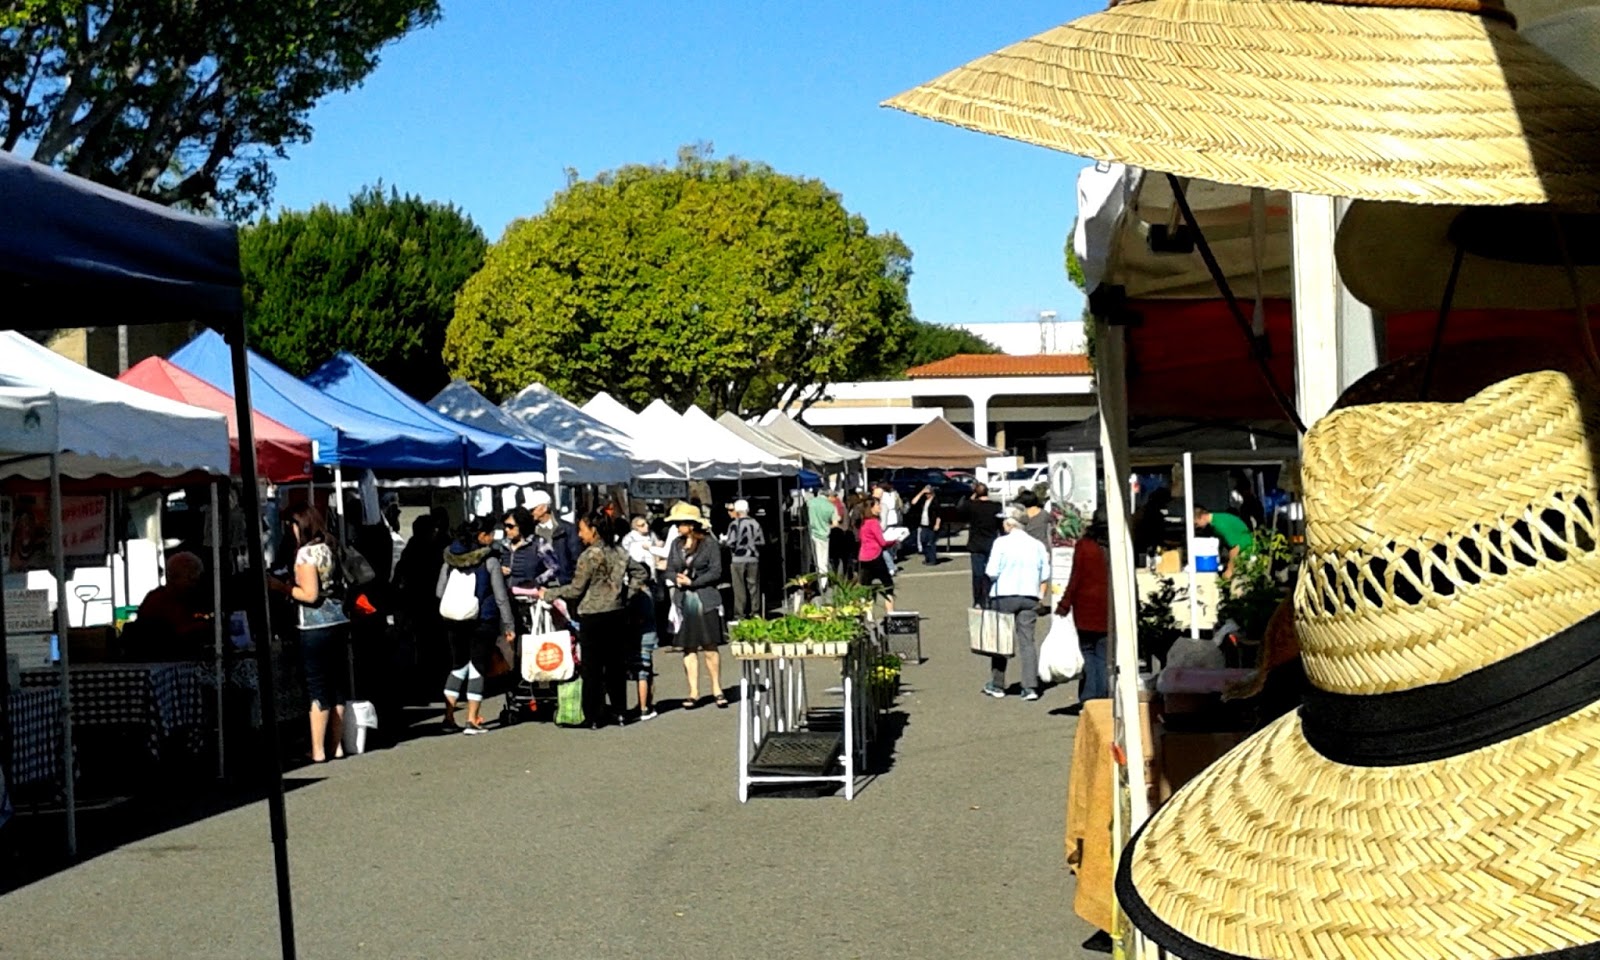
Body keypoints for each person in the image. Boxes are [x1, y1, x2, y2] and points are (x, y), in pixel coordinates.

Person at [270, 506, 349, 762]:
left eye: (291, 525)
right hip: (338, 620)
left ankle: (317, 749)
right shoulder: (329, 546)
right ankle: (336, 746)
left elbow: (310, 595)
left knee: (317, 688)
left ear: (300, 525)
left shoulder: (305, 554)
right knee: (337, 686)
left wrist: (281, 587)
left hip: (314, 625)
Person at [542, 513, 632, 728]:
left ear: (594, 530)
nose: (580, 535)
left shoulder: (589, 556)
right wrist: (627, 594)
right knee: (615, 666)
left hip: (592, 614)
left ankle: (593, 715)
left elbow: (575, 589)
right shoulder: (619, 552)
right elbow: (639, 573)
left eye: (582, 529)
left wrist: (549, 593)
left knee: (592, 668)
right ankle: (620, 712)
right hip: (616, 611)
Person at [436, 518, 514, 735]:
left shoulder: (450, 558)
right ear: (481, 536)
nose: (492, 538)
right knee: (478, 667)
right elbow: (500, 597)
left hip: (453, 619)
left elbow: (439, 592)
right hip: (482, 620)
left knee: (458, 665)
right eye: (490, 534)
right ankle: (472, 719)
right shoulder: (490, 561)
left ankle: (448, 717)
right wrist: (508, 625)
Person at [984, 510, 1053, 700]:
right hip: (1029, 596)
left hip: (1004, 595)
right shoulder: (1037, 545)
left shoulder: (1001, 543)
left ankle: (997, 684)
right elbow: (1045, 573)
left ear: (1010, 524)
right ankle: (1030, 686)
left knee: (1000, 641)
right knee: (1027, 642)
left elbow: (991, 571)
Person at [665, 501, 727, 709]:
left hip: (705, 598)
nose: (676, 527)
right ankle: (693, 691)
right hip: (684, 600)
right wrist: (676, 578)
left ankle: (717, 688)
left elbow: (716, 571)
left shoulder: (709, 543)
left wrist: (694, 582)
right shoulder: (676, 544)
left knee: (710, 646)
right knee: (688, 647)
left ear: (691, 524)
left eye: (679, 523)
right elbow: (670, 568)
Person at [1058, 522, 1110, 704]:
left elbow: (1076, 577)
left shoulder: (1085, 546)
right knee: (1104, 656)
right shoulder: (1117, 545)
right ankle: (1103, 697)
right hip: (1109, 608)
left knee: (1088, 653)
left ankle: (1088, 697)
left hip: (1086, 608)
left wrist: (1064, 604)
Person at [132, 551, 212, 658]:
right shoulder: (157, 602)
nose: (195, 581)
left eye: (197, 576)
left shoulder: (197, 599)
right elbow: (169, 637)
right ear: (173, 577)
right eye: (190, 576)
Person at [622, 515, 660, 720]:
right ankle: (648, 704)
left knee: (641, 672)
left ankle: (643, 707)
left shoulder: (639, 595)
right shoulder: (648, 594)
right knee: (647, 670)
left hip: (641, 636)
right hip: (648, 635)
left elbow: (639, 617)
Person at [959, 483, 1004, 607]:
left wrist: (972, 497)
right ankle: (991, 597)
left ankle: (978, 600)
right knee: (992, 572)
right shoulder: (996, 506)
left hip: (976, 544)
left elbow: (960, 510)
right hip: (992, 543)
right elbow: (1001, 525)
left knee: (977, 574)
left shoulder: (971, 505)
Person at [722, 499, 765, 622]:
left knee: (739, 587)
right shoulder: (755, 523)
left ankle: (740, 614)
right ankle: (755, 612)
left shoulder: (734, 524)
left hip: (737, 559)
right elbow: (761, 541)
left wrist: (725, 542)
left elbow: (731, 542)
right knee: (753, 586)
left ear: (737, 511)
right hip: (753, 558)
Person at [529, 490, 581, 585]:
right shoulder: (530, 532)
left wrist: (571, 581)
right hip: (539, 584)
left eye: (533, 509)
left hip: (563, 583)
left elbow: (576, 558)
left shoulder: (567, 529)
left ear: (544, 508)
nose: (531, 513)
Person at [856, 496, 898, 614]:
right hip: (875, 556)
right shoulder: (874, 523)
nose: (880, 507)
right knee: (888, 584)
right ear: (872, 508)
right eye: (877, 505)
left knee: (865, 586)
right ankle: (890, 612)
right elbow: (882, 542)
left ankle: (866, 613)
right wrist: (895, 540)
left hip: (864, 557)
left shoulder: (863, 522)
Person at [1194, 506, 1255, 577]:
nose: (1196, 527)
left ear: (1202, 516)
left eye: (1196, 524)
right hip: (1241, 552)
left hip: (1247, 552)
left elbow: (1235, 548)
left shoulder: (1220, 525)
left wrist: (1229, 569)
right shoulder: (1215, 521)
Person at [806, 488, 838, 586]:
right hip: (823, 536)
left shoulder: (810, 502)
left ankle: (807, 582)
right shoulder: (831, 507)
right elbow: (835, 524)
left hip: (810, 534)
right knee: (822, 562)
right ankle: (822, 585)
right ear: (829, 496)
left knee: (808, 560)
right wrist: (826, 526)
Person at [910, 485, 942, 564]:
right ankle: (927, 557)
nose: (927, 495)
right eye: (926, 494)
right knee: (923, 540)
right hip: (923, 524)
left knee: (930, 542)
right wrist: (921, 492)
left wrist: (937, 524)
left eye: (928, 493)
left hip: (931, 524)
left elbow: (939, 514)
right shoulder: (923, 500)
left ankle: (932, 559)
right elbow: (913, 502)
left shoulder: (935, 501)